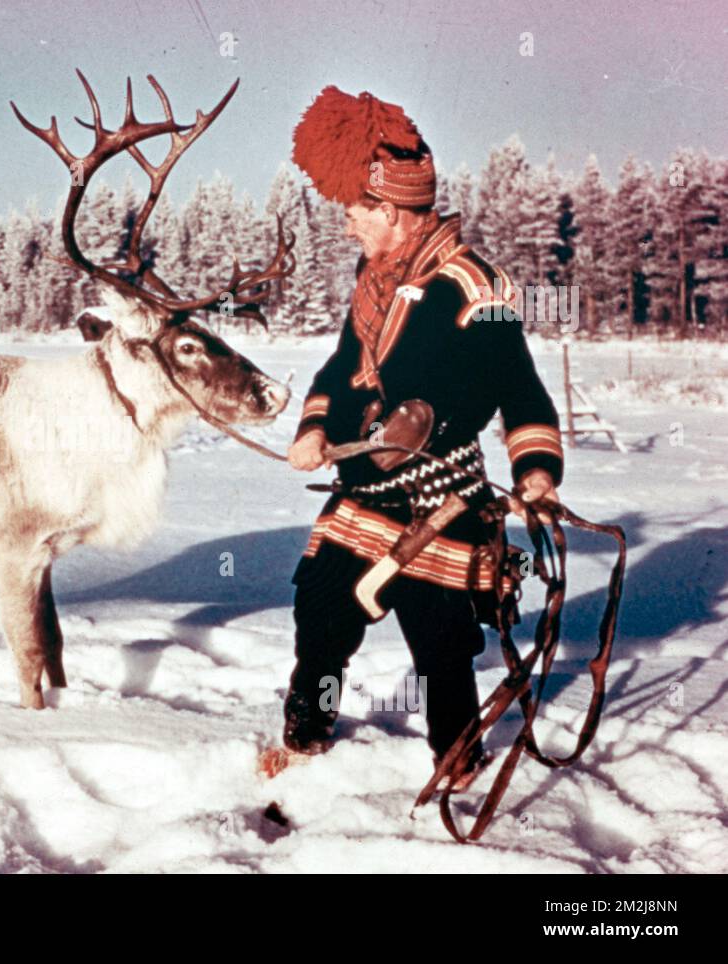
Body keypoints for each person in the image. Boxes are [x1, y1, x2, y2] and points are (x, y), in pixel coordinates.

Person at [263, 87, 564, 790]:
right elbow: (344, 366)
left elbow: (519, 390)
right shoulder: (374, 280)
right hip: (362, 489)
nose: (347, 229)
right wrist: (314, 426)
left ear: (393, 213)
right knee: (321, 608)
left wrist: (538, 473)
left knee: (440, 645)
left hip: (442, 501)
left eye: (355, 213)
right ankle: (307, 739)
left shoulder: (476, 288)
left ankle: (457, 764)